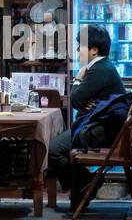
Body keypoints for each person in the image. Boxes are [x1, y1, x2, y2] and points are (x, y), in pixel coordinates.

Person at [46, 24, 127, 193]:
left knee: (52, 150)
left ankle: (86, 183)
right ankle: (85, 184)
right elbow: (81, 101)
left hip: (100, 133)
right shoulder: (102, 67)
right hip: (99, 128)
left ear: (94, 50)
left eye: (81, 46)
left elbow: (75, 100)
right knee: (55, 148)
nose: (77, 49)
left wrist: (77, 79)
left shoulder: (99, 69)